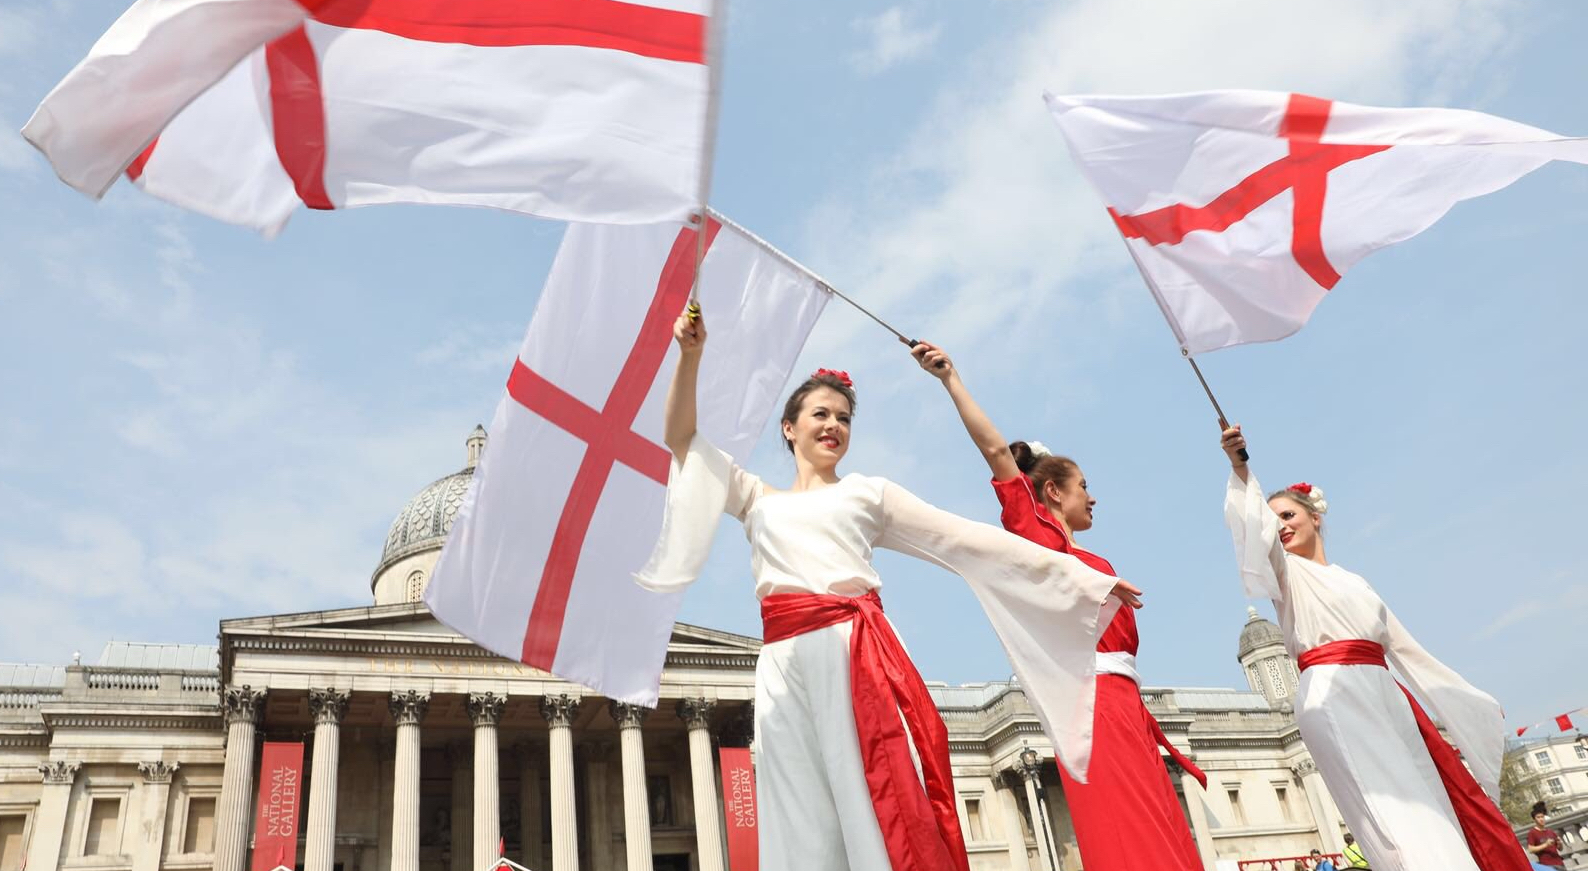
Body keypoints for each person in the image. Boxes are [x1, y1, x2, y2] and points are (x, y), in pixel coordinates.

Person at [636, 304, 1144, 871]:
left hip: (853, 655)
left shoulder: (866, 493)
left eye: (844, 419)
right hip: (780, 664)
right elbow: (681, 439)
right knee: (797, 810)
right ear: (789, 427)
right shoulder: (755, 497)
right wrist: (690, 354)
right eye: (820, 414)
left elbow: (965, 541)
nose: (833, 426)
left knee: (870, 805)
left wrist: (1079, 577)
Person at [908, 339, 1205, 871]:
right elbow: (999, 455)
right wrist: (950, 378)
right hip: (1089, 701)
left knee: (1160, 821)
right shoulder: (1037, 537)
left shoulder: (1089, 554)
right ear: (1050, 492)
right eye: (1084, 486)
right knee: (1125, 827)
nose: (1092, 497)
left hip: (1125, 702)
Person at [1219, 425, 1530, 871]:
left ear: (1314, 517)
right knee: (1389, 817)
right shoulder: (1286, 574)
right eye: (1274, 521)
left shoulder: (1355, 581)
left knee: (1431, 804)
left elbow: (1409, 651)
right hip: (1332, 691)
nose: (1280, 527)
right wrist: (1240, 465)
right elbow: (1253, 534)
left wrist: (1465, 700)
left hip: (1384, 692)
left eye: (1288, 516)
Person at [1527, 802, 1565, 871]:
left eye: (1542, 817)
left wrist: (1560, 843)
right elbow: (1531, 849)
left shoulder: (1550, 832)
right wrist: (1546, 845)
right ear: (1534, 819)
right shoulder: (1532, 832)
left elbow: (1560, 849)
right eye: (1538, 817)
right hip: (1547, 865)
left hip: (1560, 863)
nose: (1541, 819)